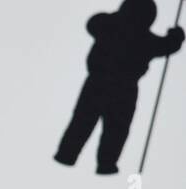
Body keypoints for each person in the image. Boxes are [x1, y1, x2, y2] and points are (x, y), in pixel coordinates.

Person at [54, 0, 184, 174]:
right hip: (123, 88)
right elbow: (167, 46)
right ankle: (103, 163)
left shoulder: (110, 26)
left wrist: (175, 38)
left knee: (85, 122)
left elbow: (93, 23)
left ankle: (69, 154)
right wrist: (175, 36)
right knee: (114, 129)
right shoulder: (143, 39)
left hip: (100, 83)